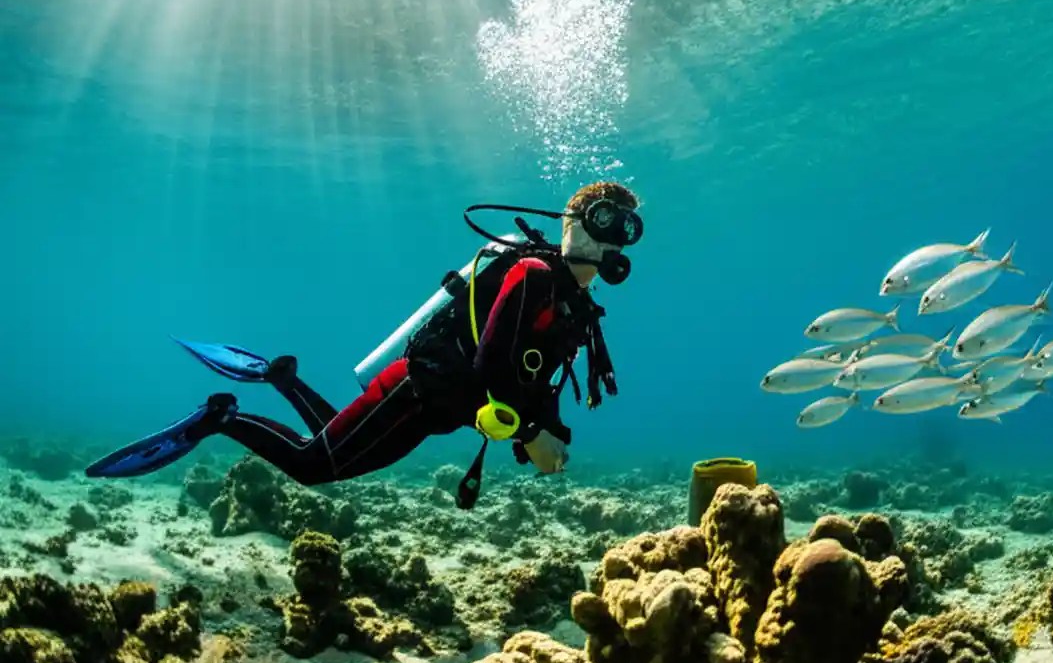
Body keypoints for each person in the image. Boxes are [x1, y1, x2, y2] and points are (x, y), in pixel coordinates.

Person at [85, 182, 643, 508]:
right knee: (313, 467)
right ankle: (220, 418)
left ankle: (283, 379)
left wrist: (548, 436)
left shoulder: (576, 308)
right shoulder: (532, 275)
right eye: (594, 223)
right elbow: (491, 366)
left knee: (332, 445)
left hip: (430, 409)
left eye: (618, 231)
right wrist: (527, 433)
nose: (603, 240)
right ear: (567, 222)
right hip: (416, 392)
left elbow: (535, 382)